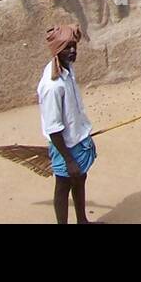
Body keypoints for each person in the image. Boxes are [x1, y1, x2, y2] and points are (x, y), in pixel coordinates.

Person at [37, 25, 96, 224]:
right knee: (63, 186)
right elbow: (53, 128)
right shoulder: (52, 86)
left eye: (73, 46)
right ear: (56, 50)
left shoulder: (67, 68)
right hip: (65, 146)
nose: (72, 51)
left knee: (80, 180)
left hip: (79, 139)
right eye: (67, 47)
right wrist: (69, 160)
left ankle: (82, 221)